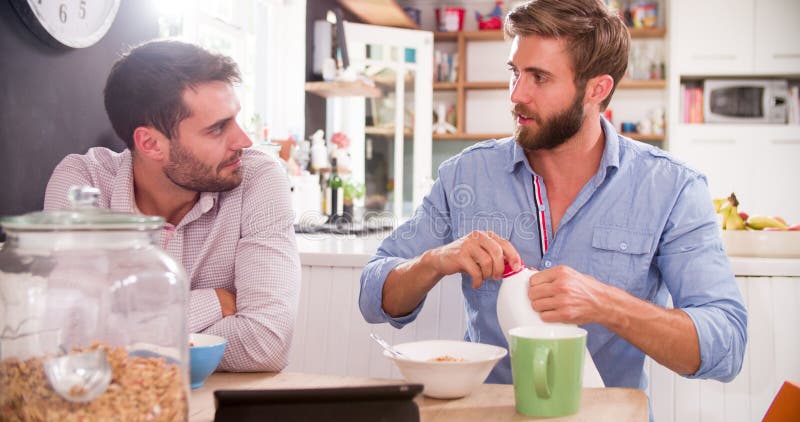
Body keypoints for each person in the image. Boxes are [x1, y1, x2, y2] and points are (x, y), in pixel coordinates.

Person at [360, 0, 747, 393]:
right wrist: (434, 261)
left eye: (539, 78)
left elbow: (726, 345)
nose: (516, 95)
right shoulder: (466, 175)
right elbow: (374, 295)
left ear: (597, 88)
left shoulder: (672, 188)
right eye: (515, 72)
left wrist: (607, 304)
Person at [44, 40, 300, 372]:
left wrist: (122, 329)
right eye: (217, 128)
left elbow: (267, 342)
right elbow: (74, 338)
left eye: (234, 119)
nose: (243, 141)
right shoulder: (84, 183)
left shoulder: (257, 179)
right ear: (150, 143)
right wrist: (215, 303)